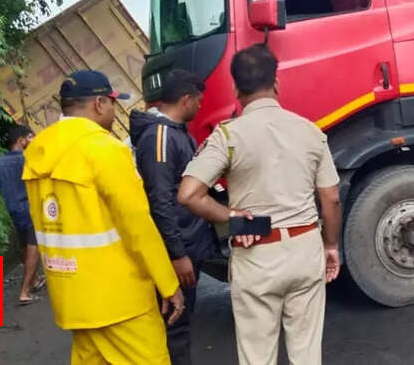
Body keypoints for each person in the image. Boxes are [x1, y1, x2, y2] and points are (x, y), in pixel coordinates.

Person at [178, 44, 342, 365]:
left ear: (236, 89)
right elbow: (331, 197)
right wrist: (330, 245)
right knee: (306, 354)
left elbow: (188, 193)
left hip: (257, 256)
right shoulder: (309, 131)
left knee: (257, 357)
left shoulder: (228, 137)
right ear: (276, 83)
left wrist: (233, 217)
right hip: (304, 248)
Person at [22, 70, 184, 364]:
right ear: (99, 103)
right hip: (121, 301)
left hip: (74, 300)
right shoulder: (104, 150)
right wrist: (168, 284)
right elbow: (137, 226)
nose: (113, 110)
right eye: (111, 103)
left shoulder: (38, 152)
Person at [129, 69, 219, 365]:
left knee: (182, 318)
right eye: (199, 101)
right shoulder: (159, 137)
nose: (201, 106)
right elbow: (160, 200)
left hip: (189, 242)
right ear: (185, 100)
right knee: (174, 323)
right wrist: (177, 254)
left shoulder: (175, 134)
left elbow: (179, 180)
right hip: (178, 249)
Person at [0, 124, 45, 305]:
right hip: (32, 208)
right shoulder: (29, 159)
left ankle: (35, 279)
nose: (31, 141)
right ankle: (25, 292)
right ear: (21, 140)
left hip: (14, 210)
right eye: (29, 138)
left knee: (25, 245)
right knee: (34, 245)